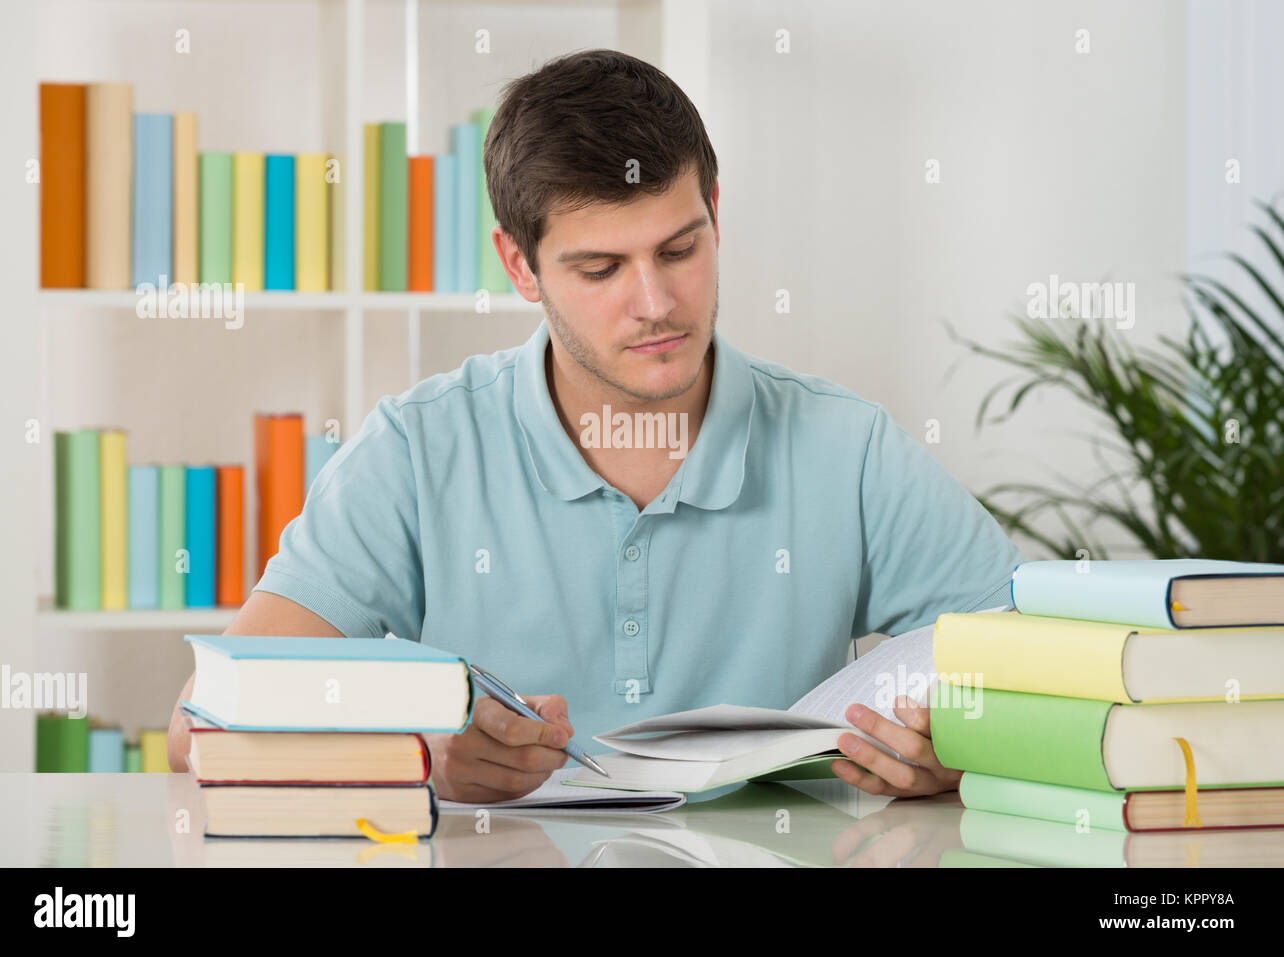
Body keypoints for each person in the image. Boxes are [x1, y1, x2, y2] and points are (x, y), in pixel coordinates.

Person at [167, 49, 1023, 804]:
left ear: (716, 211)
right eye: (601, 268)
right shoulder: (416, 449)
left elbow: (1050, 675)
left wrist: (961, 750)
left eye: (680, 250)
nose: (655, 304)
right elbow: (196, 727)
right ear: (519, 266)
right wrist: (417, 754)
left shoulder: (848, 449)